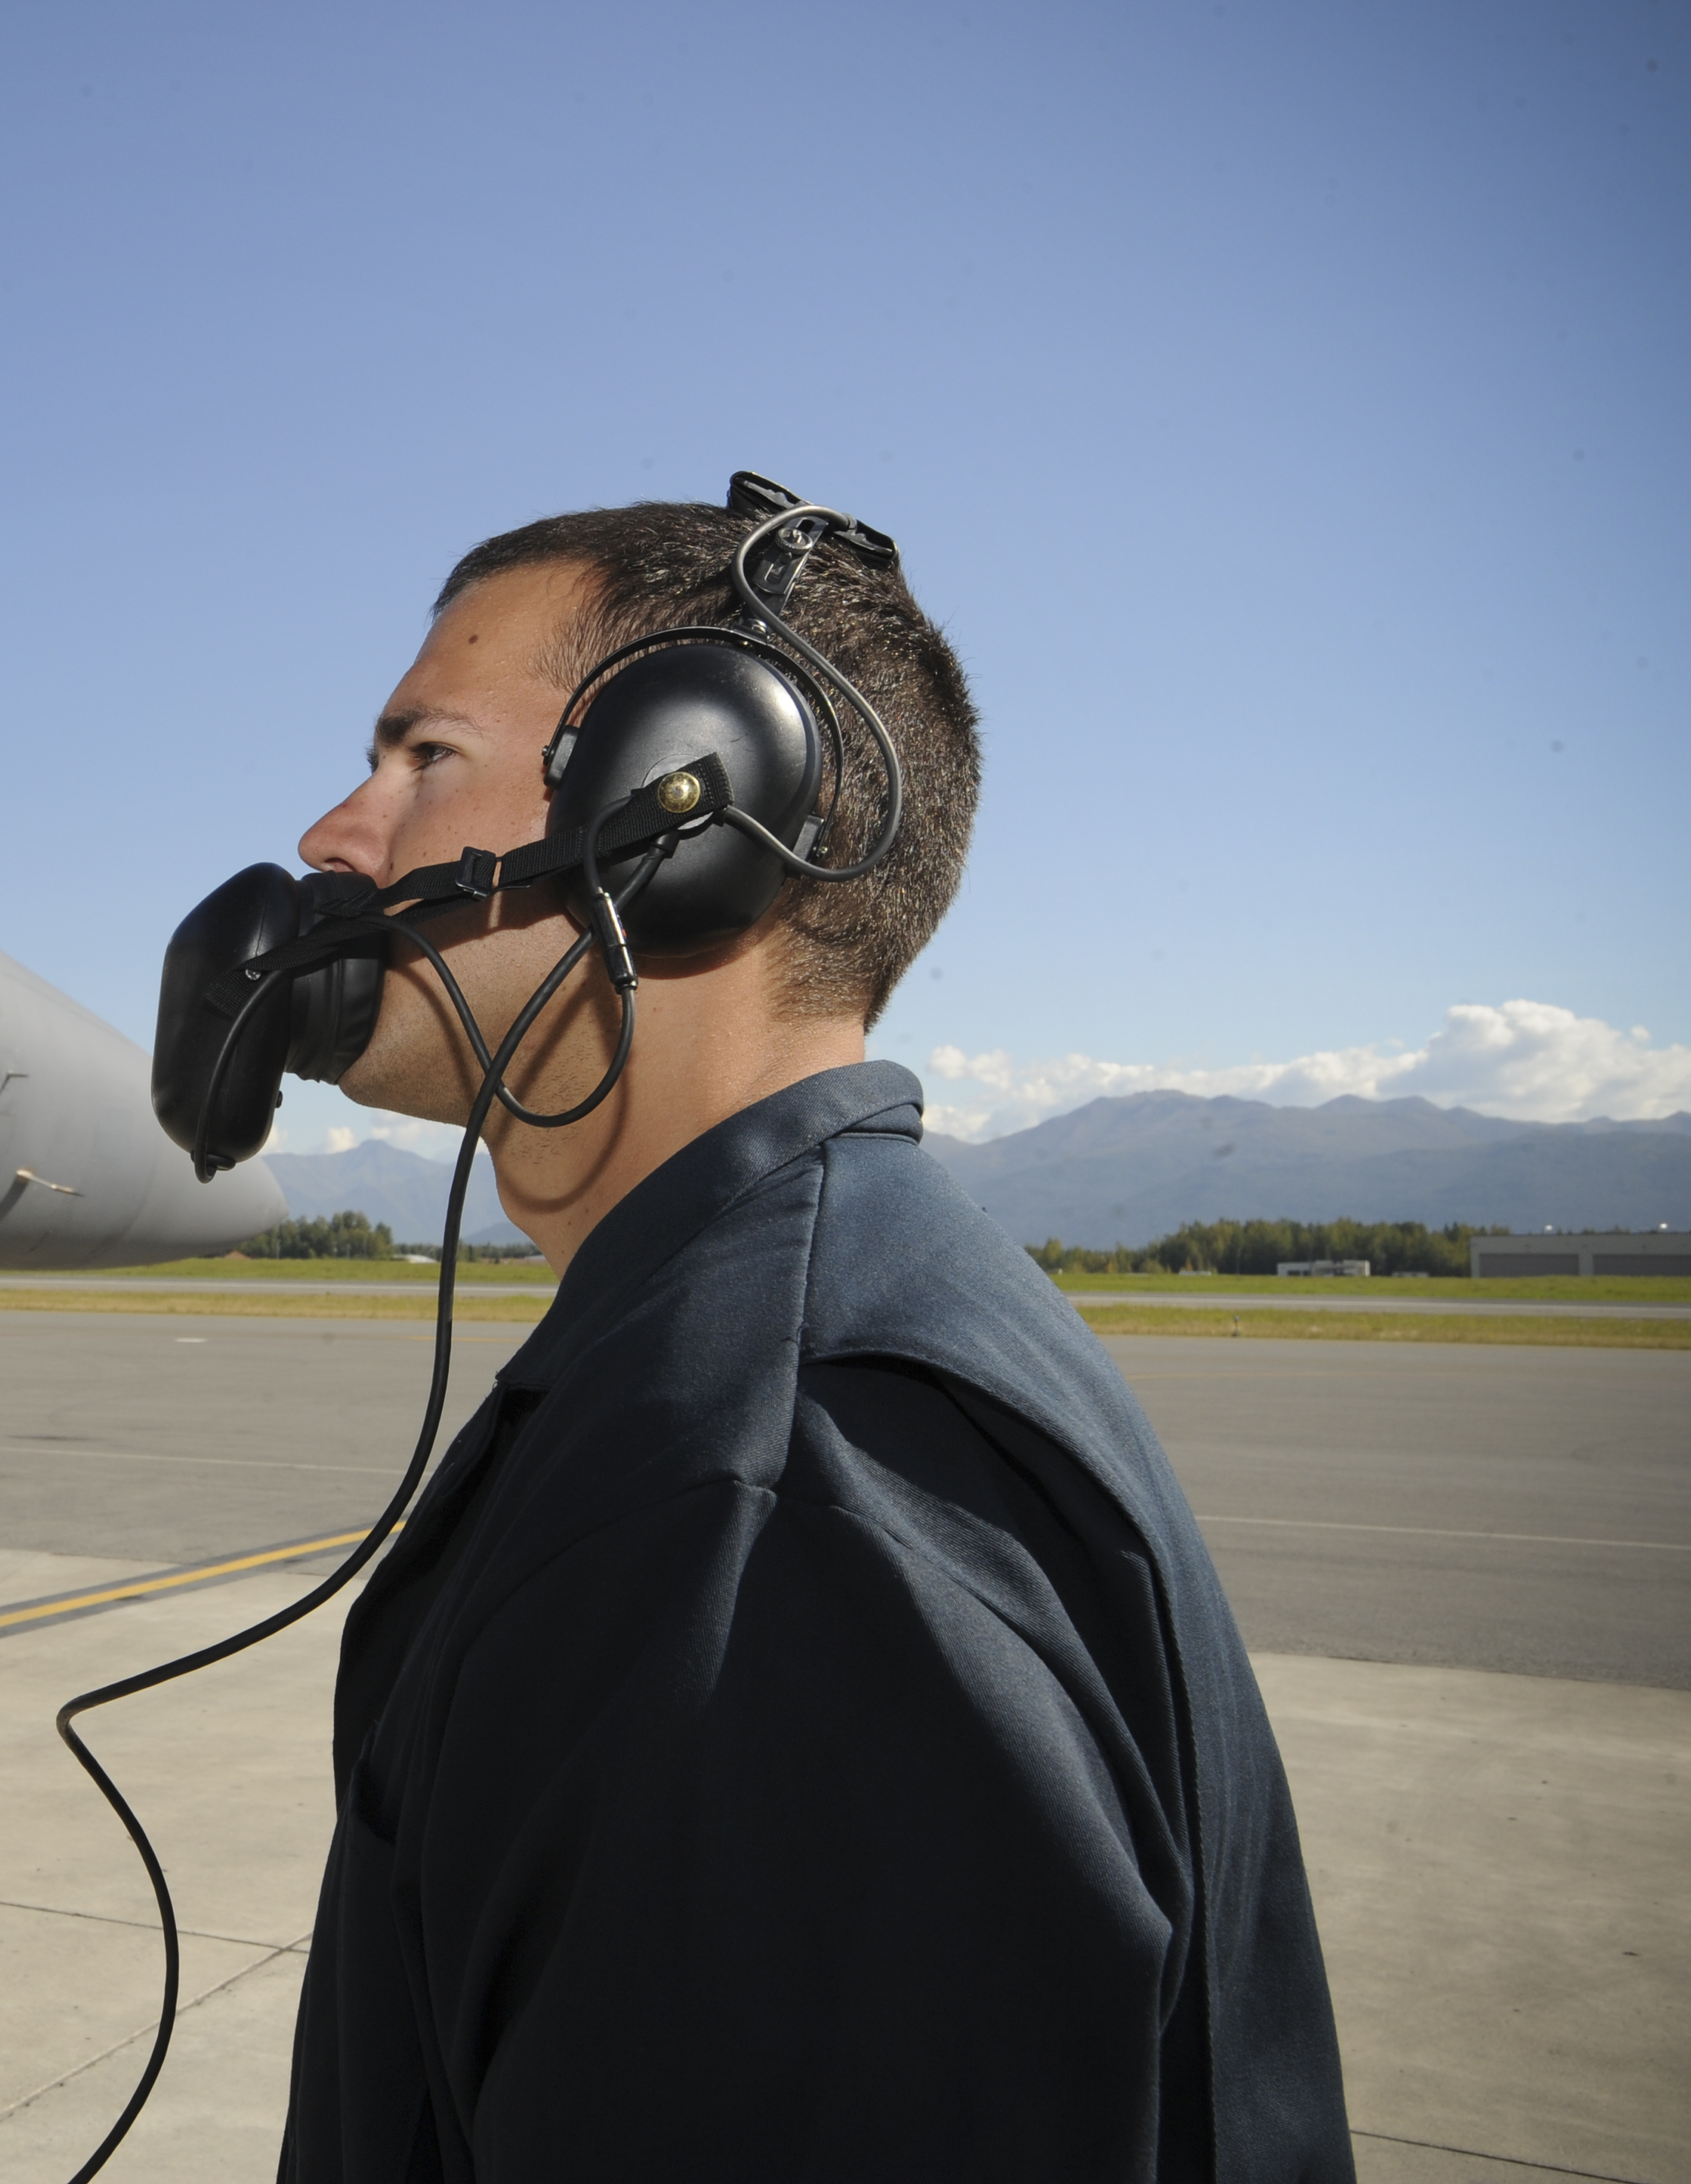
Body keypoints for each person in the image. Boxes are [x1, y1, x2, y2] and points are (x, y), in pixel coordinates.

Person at [274, 497, 1354, 2179]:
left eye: (421, 755)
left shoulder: (764, 1508)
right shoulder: (788, 1334)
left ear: (672, 809)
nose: (335, 835)